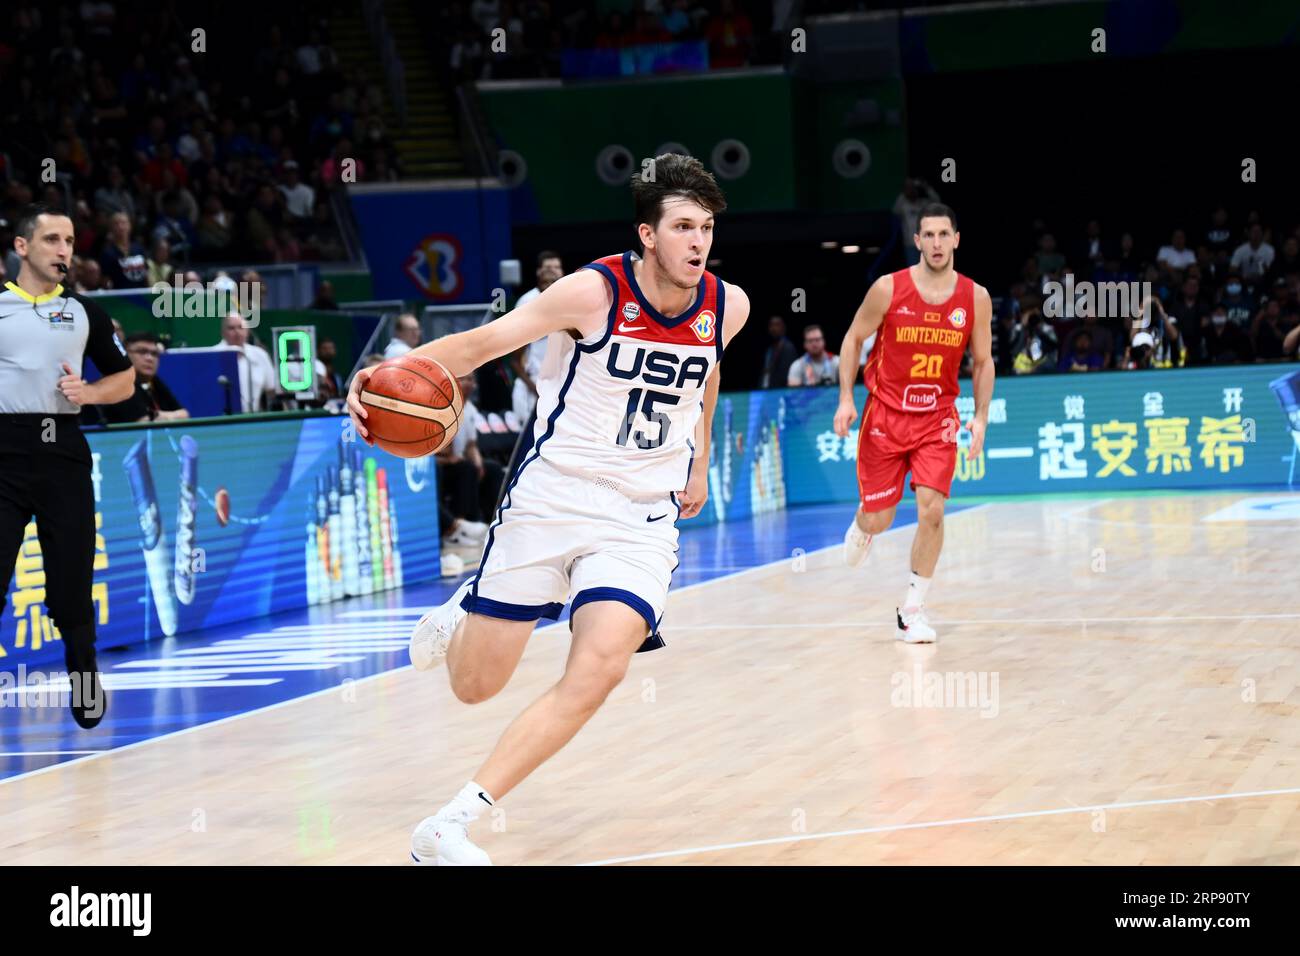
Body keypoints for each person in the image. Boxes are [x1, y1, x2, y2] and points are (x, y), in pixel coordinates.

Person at [347, 153, 750, 865]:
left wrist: (701, 456)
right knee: (475, 688)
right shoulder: (591, 292)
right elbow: (479, 345)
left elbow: (706, 376)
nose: (699, 241)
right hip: (554, 497)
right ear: (647, 235)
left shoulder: (729, 305)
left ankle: (448, 824)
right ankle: (467, 604)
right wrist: (376, 381)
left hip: (641, 517)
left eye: (707, 227)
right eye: (683, 226)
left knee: (600, 666)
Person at [0, 203, 136, 728]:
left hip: (62, 451)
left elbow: (124, 380)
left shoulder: (85, 314)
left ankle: (83, 671)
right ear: (21, 247)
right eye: (53, 240)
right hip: (3, 455)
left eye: (71, 241)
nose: (64, 251)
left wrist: (91, 391)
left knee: (71, 580)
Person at [834, 202, 994, 644]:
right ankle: (864, 525)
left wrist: (980, 418)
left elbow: (983, 362)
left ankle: (912, 610)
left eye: (945, 234)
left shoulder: (974, 298)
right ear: (918, 240)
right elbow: (852, 339)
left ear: (956, 239)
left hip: (938, 419)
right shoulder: (888, 289)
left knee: (933, 510)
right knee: (880, 518)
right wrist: (846, 398)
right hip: (885, 416)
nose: (938, 243)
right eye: (930, 235)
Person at [509, 250, 564, 424]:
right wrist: (534, 388)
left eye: (557, 268)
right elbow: (515, 358)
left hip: (562, 384)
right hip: (534, 384)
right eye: (548, 268)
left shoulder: (569, 302)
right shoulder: (527, 302)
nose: (553, 272)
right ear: (539, 275)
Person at [97, 332, 189, 423]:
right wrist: (169, 416)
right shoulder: (118, 382)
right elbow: (142, 422)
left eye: (154, 353)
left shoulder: (153, 381)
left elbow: (184, 414)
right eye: (142, 352)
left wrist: (159, 416)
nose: (149, 358)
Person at [210, 311, 276, 411]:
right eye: (231, 328)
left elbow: (271, 390)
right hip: (220, 421)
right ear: (223, 332)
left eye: (241, 327)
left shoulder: (260, 355)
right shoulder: (212, 355)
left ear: (247, 331)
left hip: (252, 420)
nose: (237, 332)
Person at [760, 315, 798, 388]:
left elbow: (786, 376)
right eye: (771, 325)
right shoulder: (769, 349)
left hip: (778, 392)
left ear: (783, 328)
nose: (774, 328)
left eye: (777, 325)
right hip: (765, 390)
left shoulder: (788, 348)